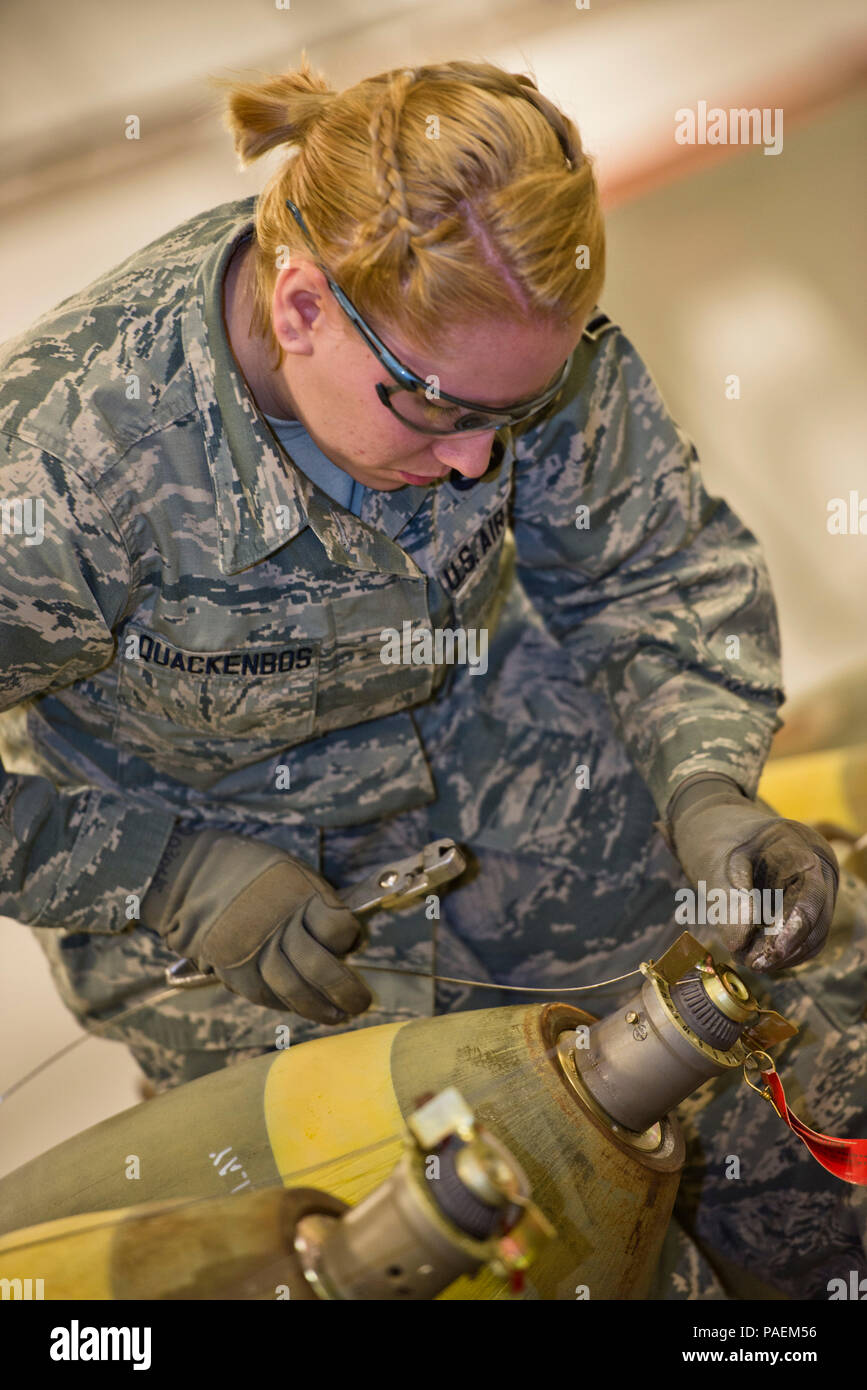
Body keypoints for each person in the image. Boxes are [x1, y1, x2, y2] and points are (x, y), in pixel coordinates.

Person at [0, 57, 863, 1300]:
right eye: (431, 406)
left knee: (806, 1171)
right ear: (301, 306)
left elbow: (652, 571)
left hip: (524, 773)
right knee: (488, 1257)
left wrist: (707, 785)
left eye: (511, 418)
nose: (474, 462)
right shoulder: (63, 471)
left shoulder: (501, 346)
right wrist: (162, 870)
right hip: (258, 934)